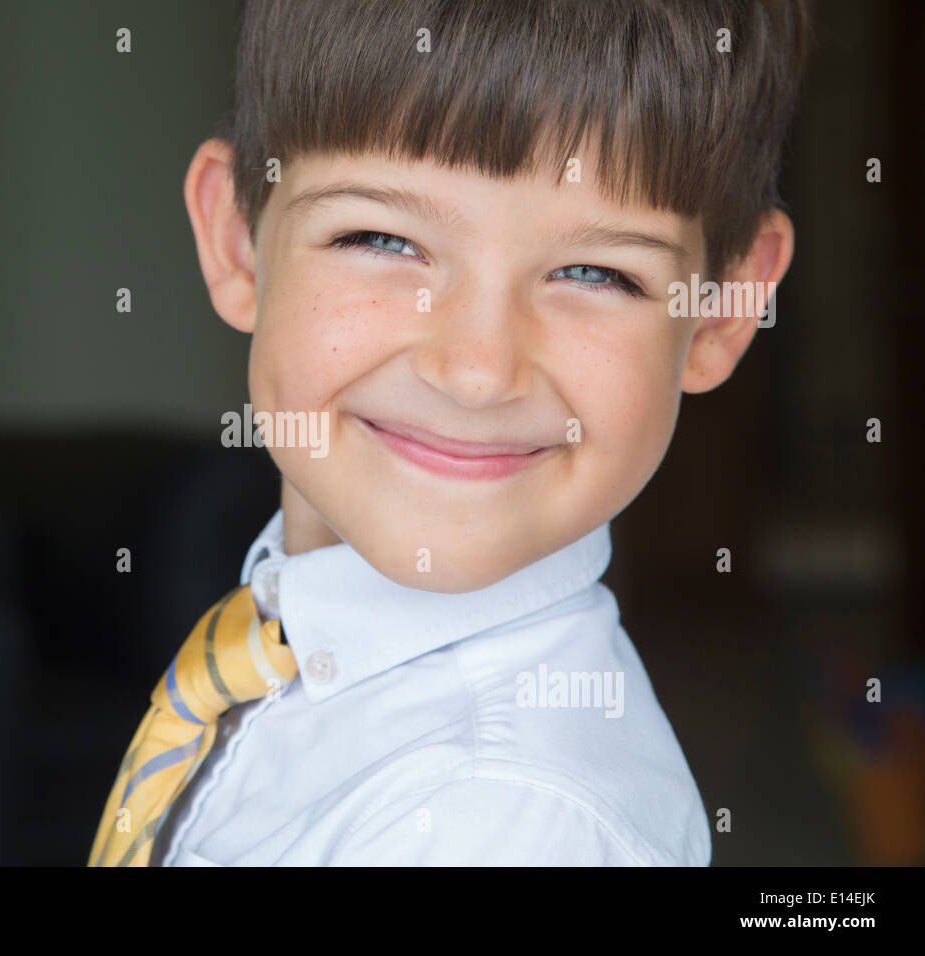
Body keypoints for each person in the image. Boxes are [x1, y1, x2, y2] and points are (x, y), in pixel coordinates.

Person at [89, 0, 807, 866]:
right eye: (382, 238)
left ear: (725, 308)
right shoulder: (280, 643)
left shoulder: (499, 822)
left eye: (596, 272)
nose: (476, 370)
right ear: (240, 241)